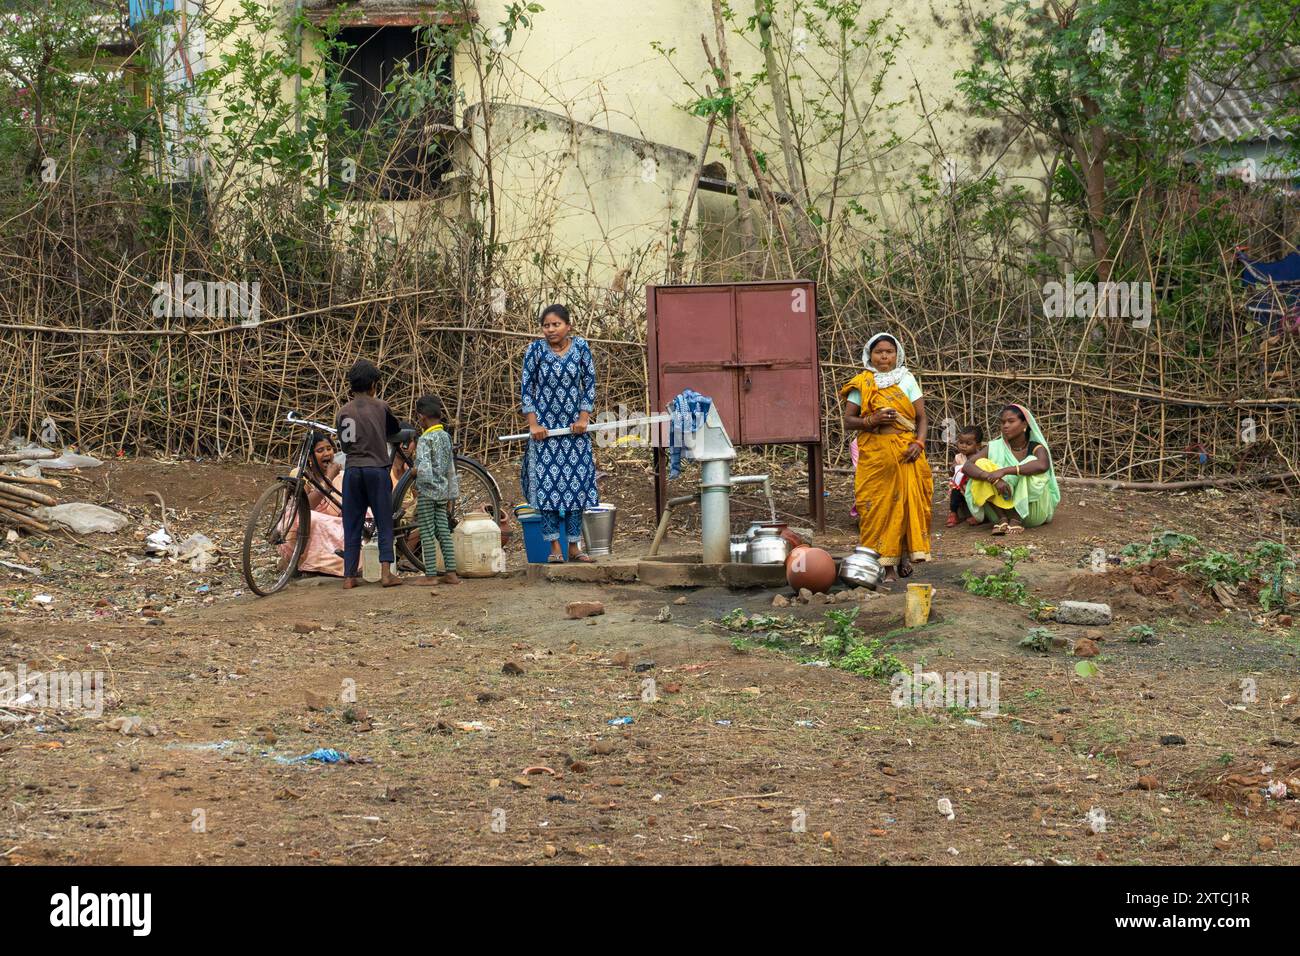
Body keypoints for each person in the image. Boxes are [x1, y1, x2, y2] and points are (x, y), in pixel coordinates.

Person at [841, 332, 933, 580]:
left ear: (897, 354)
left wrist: (919, 443)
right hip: (875, 455)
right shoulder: (862, 383)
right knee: (874, 508)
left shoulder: (907, 380)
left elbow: (921, 417)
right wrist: (872, 420)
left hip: (906, 452)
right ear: (870, 355)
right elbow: (849, 420)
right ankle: (884, 565)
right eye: (879, 352)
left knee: (904, 505)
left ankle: (901, 557)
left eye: (889, 352)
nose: (884, 356)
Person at [520, 304, 598, 563]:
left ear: (568, 326)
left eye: (556, 324)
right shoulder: (535, 350)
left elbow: (589, 382)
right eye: (546, 325)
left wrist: (583, 418)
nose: (551, 330)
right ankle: (555, 548)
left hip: (575, 432)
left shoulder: (581, 348)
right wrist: (533, 424)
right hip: (545, 433)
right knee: (548, 490)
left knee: (576, 490)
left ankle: (574, 547)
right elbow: (527, 387)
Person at [336, 359, 403, 588]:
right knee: (384, 521)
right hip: (377, 470)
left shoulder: (344, 412)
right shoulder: (381, 407)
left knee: (352, 523)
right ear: (374, 384)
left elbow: (345, 446)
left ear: (351, 386)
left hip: (353, 471)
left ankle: (349, 576)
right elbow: (394, 431)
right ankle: (386, 573)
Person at [961, 403, 1060, 533]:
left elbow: (1042, 465)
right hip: (999, 515)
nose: (1005, 426)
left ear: (1025, 424)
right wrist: (993, 479)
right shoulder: (995, 447)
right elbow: (967, 466)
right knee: (981, 465)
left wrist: (1004, 471)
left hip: (1032, 513)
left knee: (1031, 463)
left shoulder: (1036, 447)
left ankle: (1016, 516)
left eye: (1011, 421)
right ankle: (1004, 517)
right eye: (1002, 423)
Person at [280, 432, 346, 576]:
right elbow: (305, 508)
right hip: (302, 530)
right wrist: (328, 479)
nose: (327, 453)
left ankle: (320, 566)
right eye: (320, 450)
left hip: (332, 534)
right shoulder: (300, 475)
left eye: (329, 449)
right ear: (310, 457)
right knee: (313, 519)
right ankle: (302, 563)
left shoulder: (340, 476)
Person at [413, 395, 460, 586]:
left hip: (427, 493)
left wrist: (414, 472)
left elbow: (423, 468)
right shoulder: (445, 437)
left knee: (425, 531)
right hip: (442, 491)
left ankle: (430, 574)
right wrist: (451, 492)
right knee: (443, 530)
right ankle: (451, 573)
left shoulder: (425, 439)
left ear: (421, 417)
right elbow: (450, 466)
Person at [946, 425, 983, 528]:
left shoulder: (980, 457)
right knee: (955, 491)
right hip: (961, 486)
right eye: (961, 442)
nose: (963, 446)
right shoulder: (959, 457)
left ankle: (976, 515)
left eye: (968, 444)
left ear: (978, 445)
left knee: (978, 497)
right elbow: (952, 471)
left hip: (974, 486)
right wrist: (953, 468)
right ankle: (953, 513)